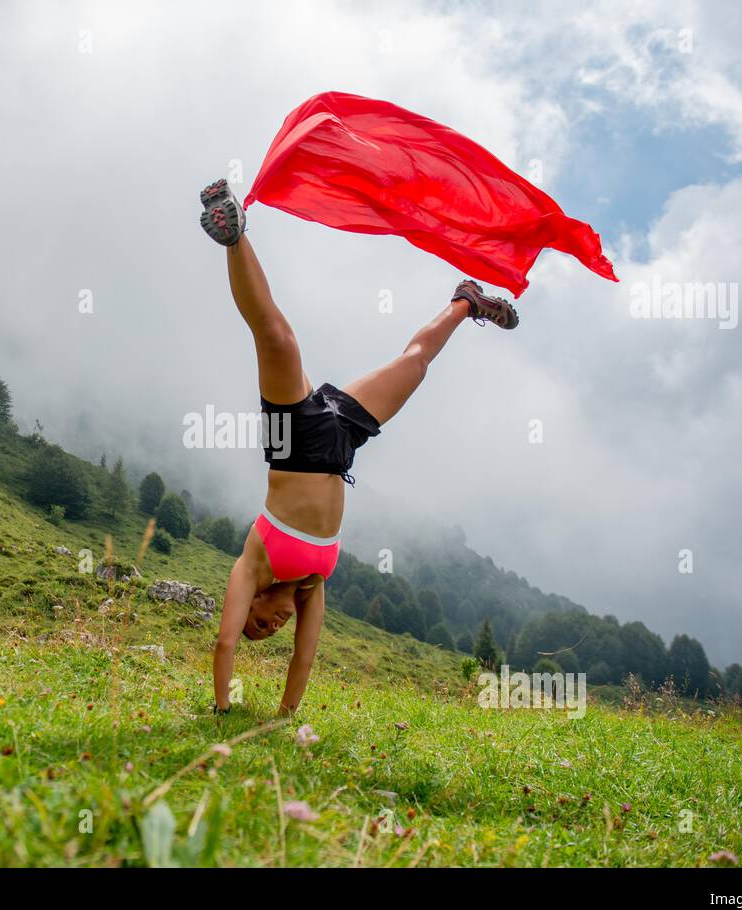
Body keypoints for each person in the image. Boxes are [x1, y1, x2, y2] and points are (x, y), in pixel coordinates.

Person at [199, 178, 520, 715]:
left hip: (290, 442)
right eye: (270, 629)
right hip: (340, 444)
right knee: (415, 366)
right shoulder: (312, 585)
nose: (271, 625)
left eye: (258, 620)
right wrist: (283, 721)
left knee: (275, 335)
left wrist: (223, 711)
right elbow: (303, 661)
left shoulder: (250, 567)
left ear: (248, 601)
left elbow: (225, 643)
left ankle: (232, 232)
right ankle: (467, 302)